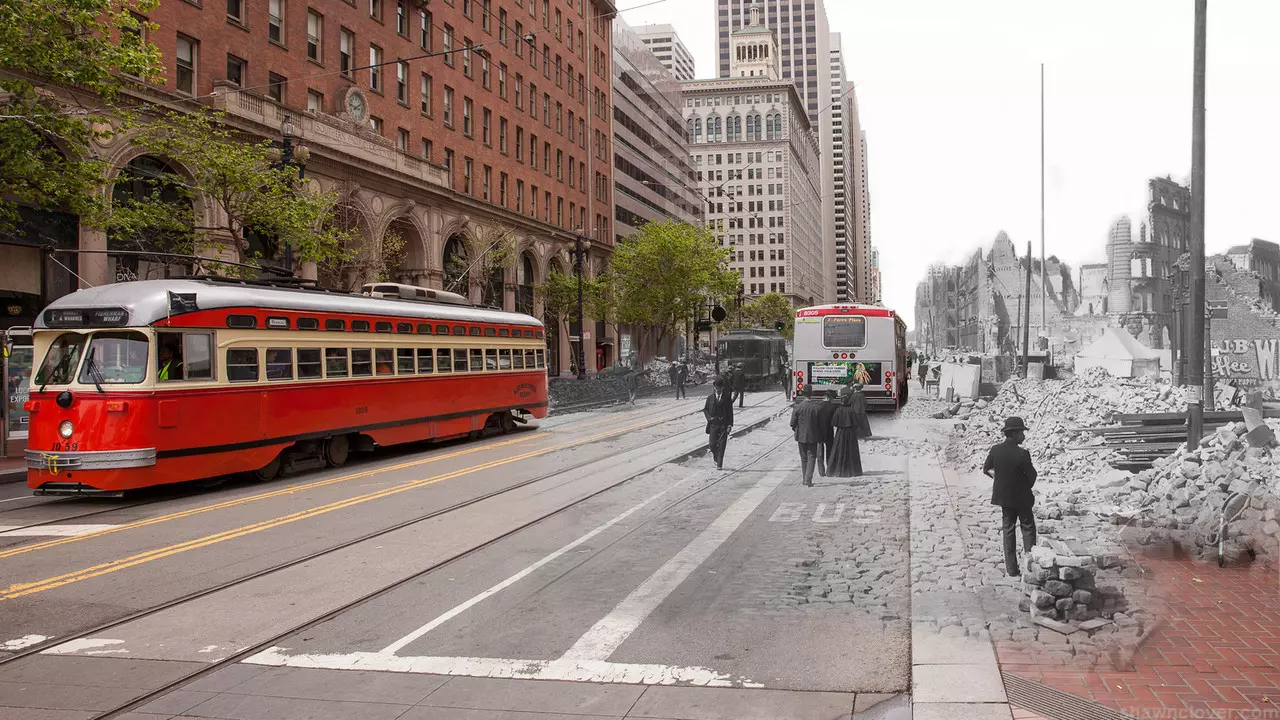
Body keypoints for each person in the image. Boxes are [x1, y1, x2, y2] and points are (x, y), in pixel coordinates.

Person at [983, 416, 1038, 577]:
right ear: (1015, 434)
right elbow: (1032, 476)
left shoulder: (995, 450)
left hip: (1004, 498)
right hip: (1022, 499)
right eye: (1022, 432)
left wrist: (1001, 480)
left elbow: (986, 469)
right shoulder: (1023, 454)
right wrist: (1023, 486)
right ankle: (1030, 566)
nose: (1024, 436)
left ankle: (1012, 569)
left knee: (1008, 530)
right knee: (1027, 528)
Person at [790, 387, 825, 486]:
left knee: (803, 458)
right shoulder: (817, 408)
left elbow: (792, 423)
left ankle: (804, 478)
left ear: (803, 395)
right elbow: (821, 424)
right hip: (813, 437)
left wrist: (798, 431)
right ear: (811, 394)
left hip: (800, 437)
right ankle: (808, 479)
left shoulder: (797, 407)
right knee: (812, 457)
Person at [828, 389, 864, 477]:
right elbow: (856, 423)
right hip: (851, 433)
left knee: (839, 451)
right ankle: (853, 471)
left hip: (840, 433)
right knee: (851, 452)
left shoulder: (838, 410)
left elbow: (834, 423)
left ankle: (838, 471)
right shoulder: (852, 410)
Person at [703, 376, 734, 469]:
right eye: (717, 388)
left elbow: (730, 412)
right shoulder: (710, 398)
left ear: (723, 388)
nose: (718, 390)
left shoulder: (727, 398)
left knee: (722, 444)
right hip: (713, 424)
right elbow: (705, 410)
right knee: (712, 445)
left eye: (720, 388)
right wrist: (709, 418)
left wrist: (730, 425)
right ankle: (716, 456)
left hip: (723, 424)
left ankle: (719, 464)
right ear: (714, 387)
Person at [817, 389, 838, 476]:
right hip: (829, 432)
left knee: (819, 453)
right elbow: (835, 421)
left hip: (819, 432)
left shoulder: (818, 406)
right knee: (829, 451)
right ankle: (830, 470)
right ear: (830, 398)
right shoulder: (833, 407)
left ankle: (821, 472)